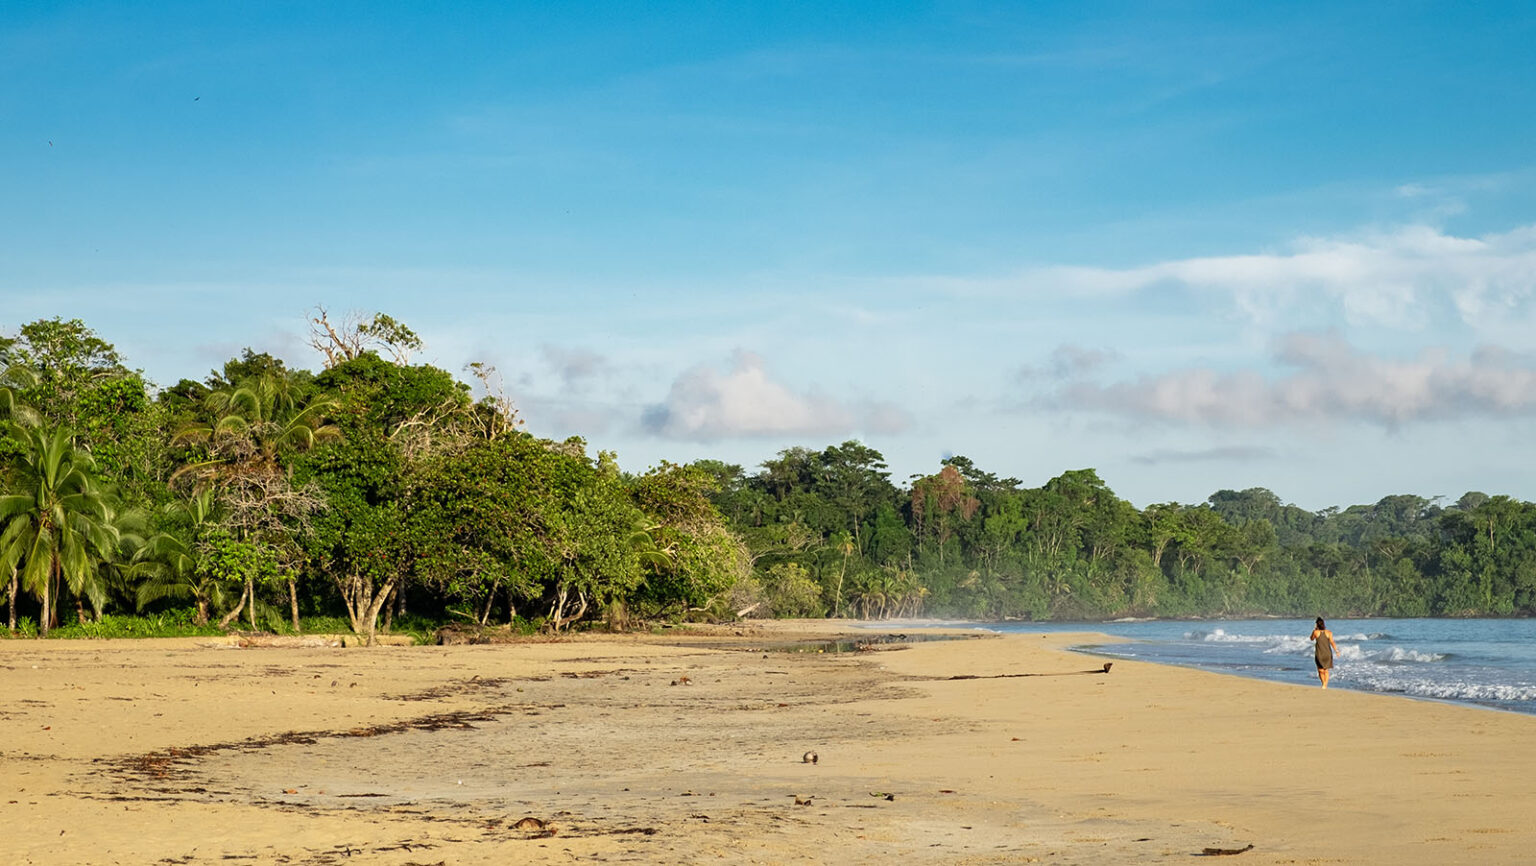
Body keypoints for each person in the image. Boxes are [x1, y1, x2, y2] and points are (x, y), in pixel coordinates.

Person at [1309, 617, 1339, 689]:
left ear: (1317, 624)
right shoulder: (1323, 632)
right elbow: (1332, 642)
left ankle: (1324, 684)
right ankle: (1324, 684)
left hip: (1322, 653)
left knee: (1322, 670)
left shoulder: (1321, 632)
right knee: (1323, 670)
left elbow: (1311, 639)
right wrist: (1336, 651)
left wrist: (1336, 651)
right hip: (1324, 653)